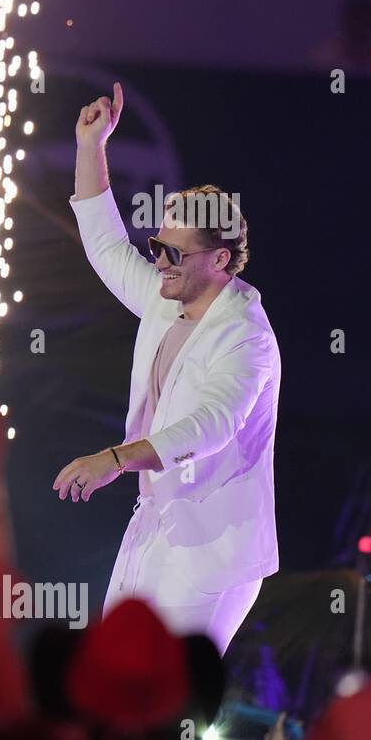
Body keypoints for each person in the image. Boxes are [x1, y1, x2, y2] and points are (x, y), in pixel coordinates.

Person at [53, 82, 281, 656]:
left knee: (170, 710)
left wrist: (114, 460)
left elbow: (212, 425)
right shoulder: (166, 296)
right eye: (157, 244)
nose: (158, 260)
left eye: (174, 252)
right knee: (114, 686)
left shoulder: (246, 335)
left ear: (221, 261)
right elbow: (107, 248)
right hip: (156, 528)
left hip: (210, 547)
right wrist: (91, 146)